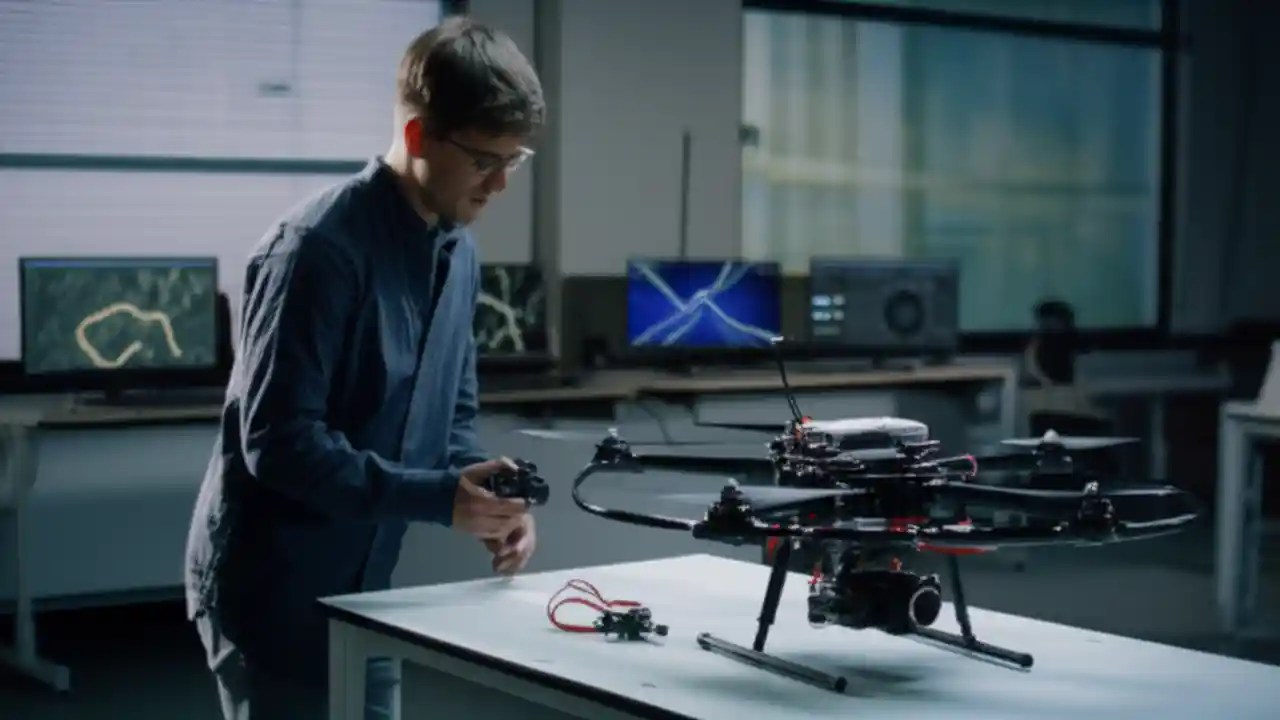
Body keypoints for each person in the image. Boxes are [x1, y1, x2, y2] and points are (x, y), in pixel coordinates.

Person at [183, 16, 546, 719]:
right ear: (417, 138)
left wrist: (488, 497)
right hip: (271, 589)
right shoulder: (315, 251)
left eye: (515, 160)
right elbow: (281, 447)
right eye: (483, 161)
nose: (500, 184)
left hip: (369, 585)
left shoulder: (457, 248)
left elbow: (452, 411)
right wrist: (440, 497)